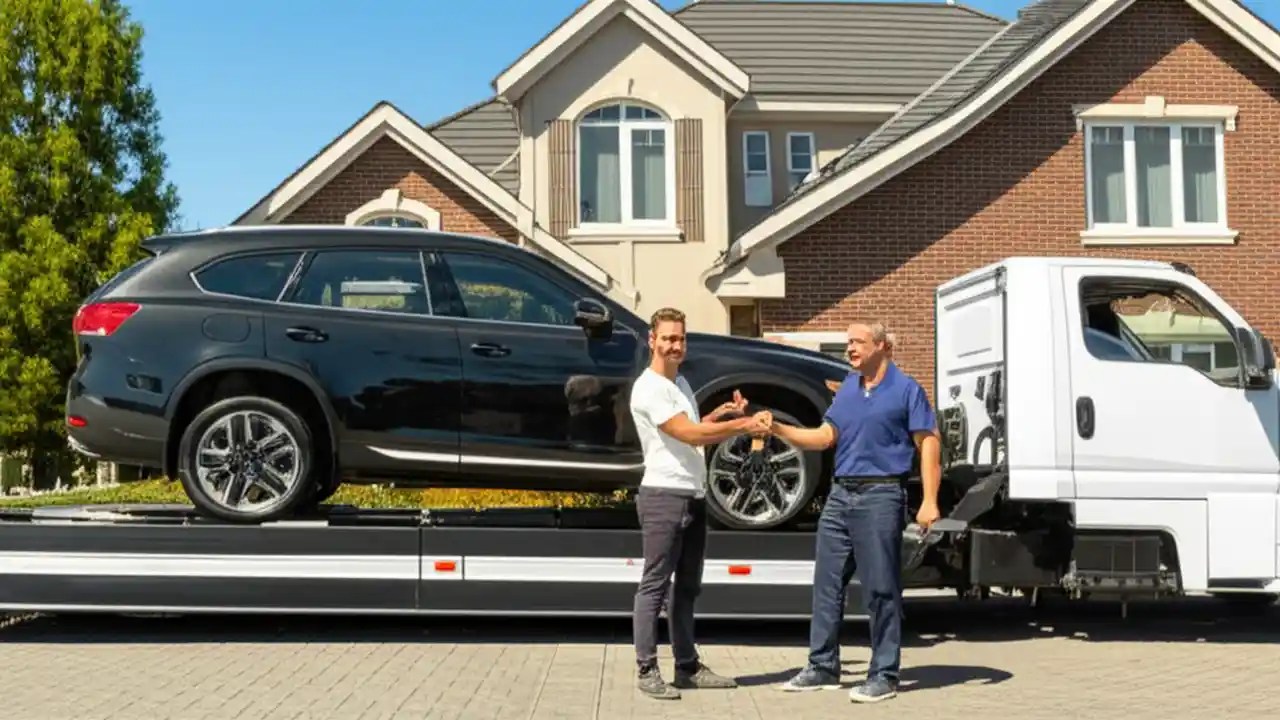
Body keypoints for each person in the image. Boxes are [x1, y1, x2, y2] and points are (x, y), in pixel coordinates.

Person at [770, 321, 941, 703]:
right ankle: (822, 667)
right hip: (839, 497)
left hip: (881, 496)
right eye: (847, 342)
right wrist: (779, 428)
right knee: (827, 586)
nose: (849, 349)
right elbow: (823, 437)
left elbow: (928, 443)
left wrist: (930, 500)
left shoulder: (906, 389)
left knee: (881, 590)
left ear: (882, 346)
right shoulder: (848, 388)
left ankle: (884, 674)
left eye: (857, 342)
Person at [628, 306, 773, 700]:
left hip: (693, 495)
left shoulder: (680, 385)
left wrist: (720, 415)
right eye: (668, 338)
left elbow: (692, 428)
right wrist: (742, 424)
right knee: (654, 586)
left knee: (687, 588)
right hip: (663, 496)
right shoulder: (649, 388)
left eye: (681, 338)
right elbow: (687, 435)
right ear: (652, 341)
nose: (675, 345)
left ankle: (687, 666)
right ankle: (646, 670)